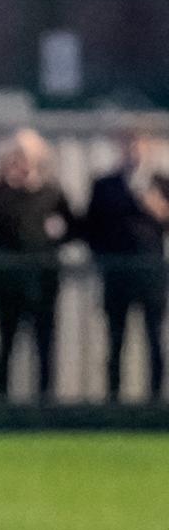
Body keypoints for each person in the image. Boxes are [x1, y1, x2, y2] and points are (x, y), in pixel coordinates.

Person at [0, 129, 74, 400]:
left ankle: (46, 401)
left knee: (44, 343)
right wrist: (14, 184)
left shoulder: (53, 194)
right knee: (6, 341)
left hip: (43, 280)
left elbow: (72, 227)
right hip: (8, 281)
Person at [81, 132, 169, 402]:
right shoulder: (105, 184)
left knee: (154, 338)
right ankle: (113, 398)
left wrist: (149, 197)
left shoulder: (161, 184)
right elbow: (91, 227)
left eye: (141, 147)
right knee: (116, 338)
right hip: (117, 272)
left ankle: (155, 398)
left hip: (151, 272)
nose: (136, 152)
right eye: (131, 146)